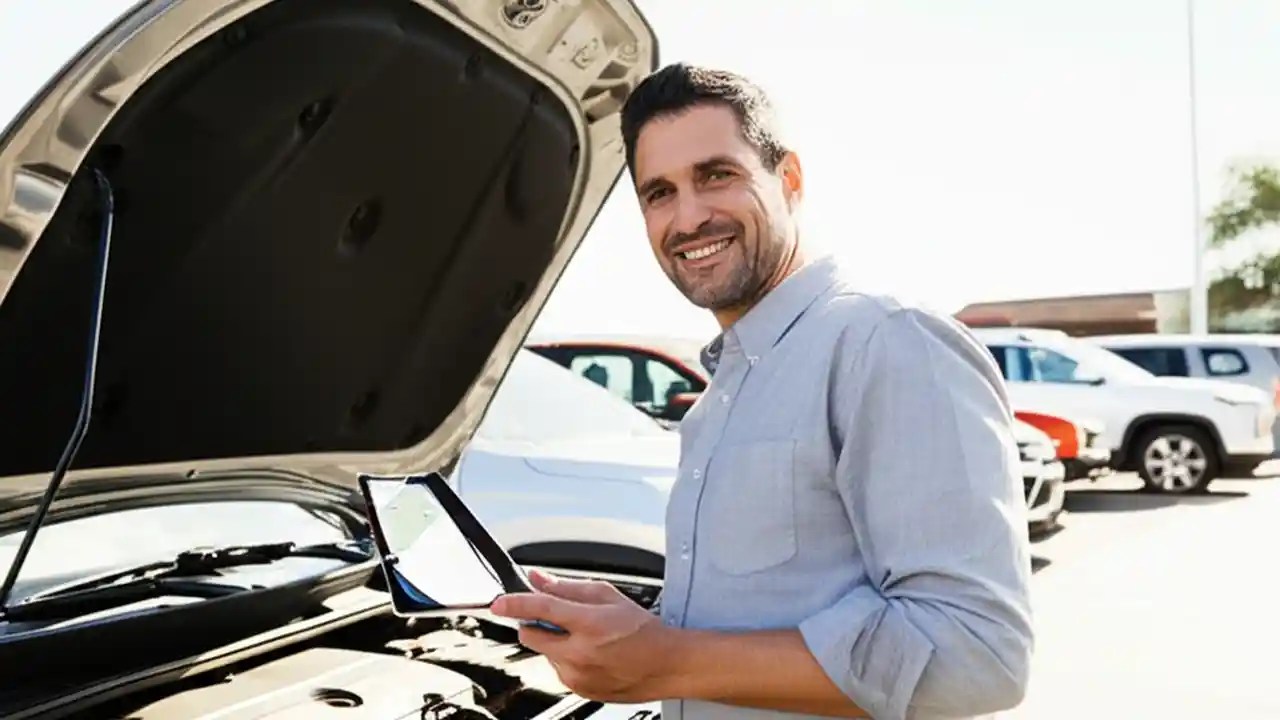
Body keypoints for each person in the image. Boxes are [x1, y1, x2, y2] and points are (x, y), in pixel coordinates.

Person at [491, 63, 1034, 720]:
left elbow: (978, 655)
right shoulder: (735, 374)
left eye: (716, 175)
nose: (688, 217)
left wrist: (667, 660)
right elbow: (770, 609)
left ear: (790, 180)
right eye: (658, 193)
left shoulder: (886, 342)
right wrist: (640, 624)